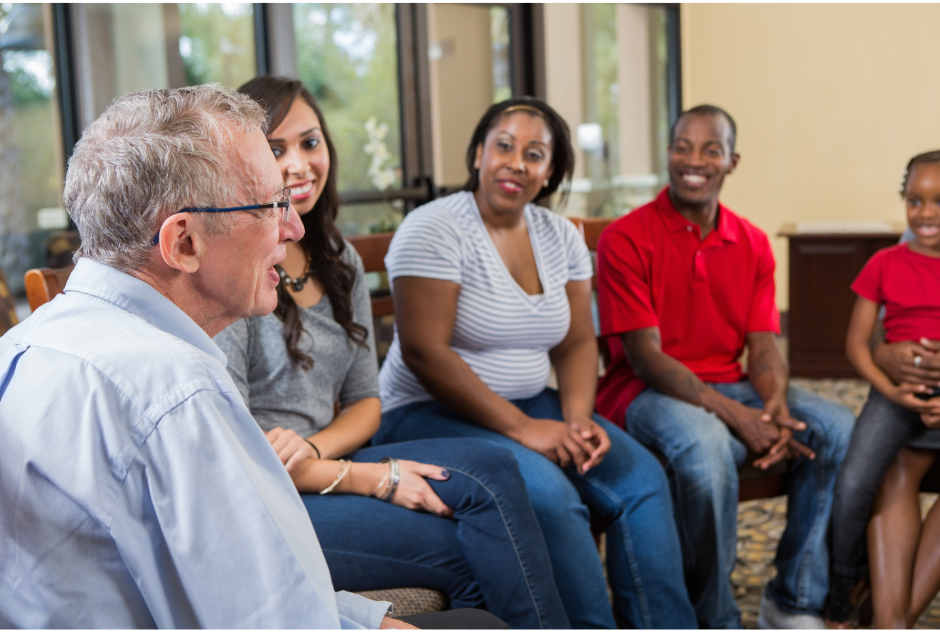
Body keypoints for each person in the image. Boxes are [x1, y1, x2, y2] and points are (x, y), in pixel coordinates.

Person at [0, 84, 500, 630]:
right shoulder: (177, 391)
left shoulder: (23, 346)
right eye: (270, 206)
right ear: (184, 243)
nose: (295, 227)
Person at [212, 76, 567, 630]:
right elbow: (232, 453)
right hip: (267, 502)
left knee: (493, 467)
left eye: (310, 142)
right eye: (274, 148)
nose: (299, 164)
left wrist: (313, 448)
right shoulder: (232, 270)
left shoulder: (339, 258)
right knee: (467, 546)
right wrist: (371, 476)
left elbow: (365, 403)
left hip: (327, 457)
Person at [372, 96, 697, 629]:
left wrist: (575, 420)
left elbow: (574, 343)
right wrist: (525, 429)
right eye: (504, 146)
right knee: (551, 497)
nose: (517, 162)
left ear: (550, 172)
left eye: (535, 153)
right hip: (425, 412)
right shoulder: (434, 228)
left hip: (530, 405)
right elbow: (425, 353)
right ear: (478, 153)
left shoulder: (560, 234)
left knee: (641, 479)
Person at [594, 104, 855, 629]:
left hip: (729, 383)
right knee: (706, 445)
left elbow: (761, 347)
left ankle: (794, 599)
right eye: (682, 147)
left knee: (834, 427)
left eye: (710, 149)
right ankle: (714, 619)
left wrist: (775, 404)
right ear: (668, 155)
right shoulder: (625, 238)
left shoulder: (754, 243)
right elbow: (644, 357)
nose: (694, 160)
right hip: (640, 392)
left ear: (731, 161)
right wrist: (734, 417)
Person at [826, 151, 940, 628]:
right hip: (892, 394)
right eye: (915, 200)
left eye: (939, 201)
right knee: (853, 480)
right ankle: (845, 587)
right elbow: (857, 344)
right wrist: (890, 391)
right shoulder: (885, 262)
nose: (926, 213)